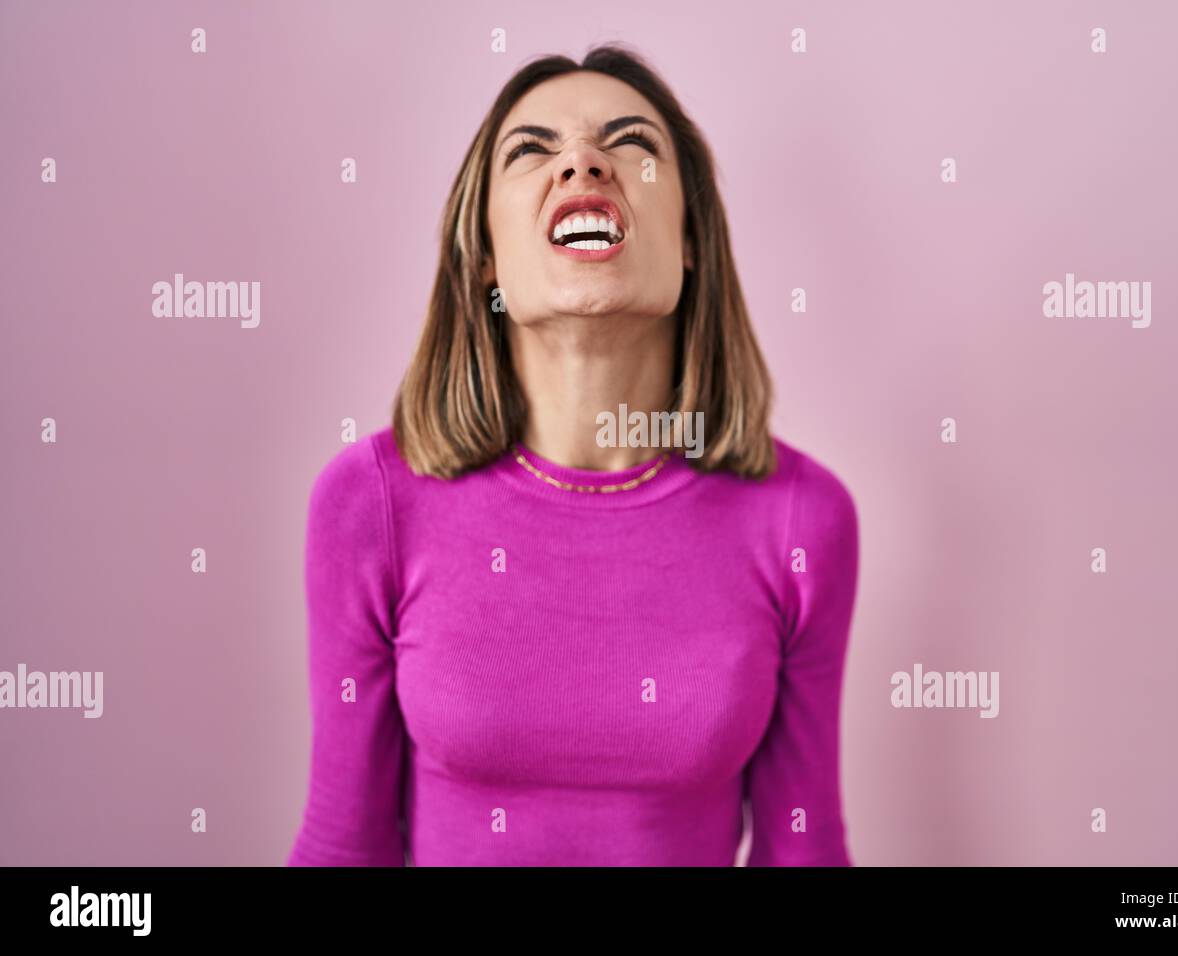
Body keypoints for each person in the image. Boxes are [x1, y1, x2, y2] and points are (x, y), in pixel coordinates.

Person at [286, 43, 859, 866]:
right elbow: (345, 845)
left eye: (631, 144)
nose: (583, 162)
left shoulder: (802, 517)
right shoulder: (368, 502)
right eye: (531, 150)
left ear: (691, 241)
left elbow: (803, 853)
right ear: (485, 257)